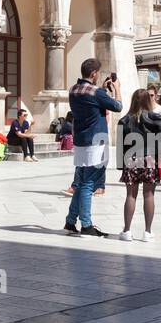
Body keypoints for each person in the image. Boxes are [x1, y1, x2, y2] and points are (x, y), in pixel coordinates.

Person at [64, 58, 121, 238]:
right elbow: (118, 106)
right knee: (89, 184)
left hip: (80, 141)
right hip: (96, 142)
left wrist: (103, 90)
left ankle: (71, 221)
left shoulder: (73, 90)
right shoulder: (96, 92)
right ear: (94, 73)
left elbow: (93, 102)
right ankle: (87, 225)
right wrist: (117, 88)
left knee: (81, 182)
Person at [116, 88, 161, 242]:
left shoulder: (124, 120)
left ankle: (127, 231)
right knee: (149, 195)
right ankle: (147, 232)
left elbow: (120, 145)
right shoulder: (156, 118)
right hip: (150, 158)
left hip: (130, 158)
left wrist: (120, 165)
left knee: (131, 195)